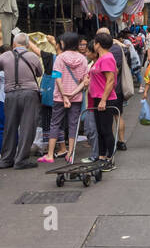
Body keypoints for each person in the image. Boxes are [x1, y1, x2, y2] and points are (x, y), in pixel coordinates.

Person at [0, 31, 44, 170]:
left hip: (10, 95)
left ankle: (6, 160)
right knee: (27, 127)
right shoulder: (32, 56)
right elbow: (39, 72)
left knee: (9, 127)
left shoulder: (5, 56)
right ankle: (21, 160)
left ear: (13, 44)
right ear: (27, 45)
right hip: (29, 94)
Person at [40, 33, 89, 164]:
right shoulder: (83, 59)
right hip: (77, 97)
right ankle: (71, 154)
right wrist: (72, 94)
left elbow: (57, 78)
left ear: (64, 43)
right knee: (73, 125)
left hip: (59, 97)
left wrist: (65, 96)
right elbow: (85, 82)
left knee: (55, 123)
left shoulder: (60, 58)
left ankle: (50, 155)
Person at [87, 33, 120, 166]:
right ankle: (101, 156)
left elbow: (110, 80)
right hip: (96, 97)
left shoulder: (106, 58)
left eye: (94, 43)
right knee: (100, 129)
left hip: (105, 98)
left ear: (98, 44)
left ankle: (109, 158)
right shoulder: (101, 59)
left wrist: (104, 100)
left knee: (106, 129)